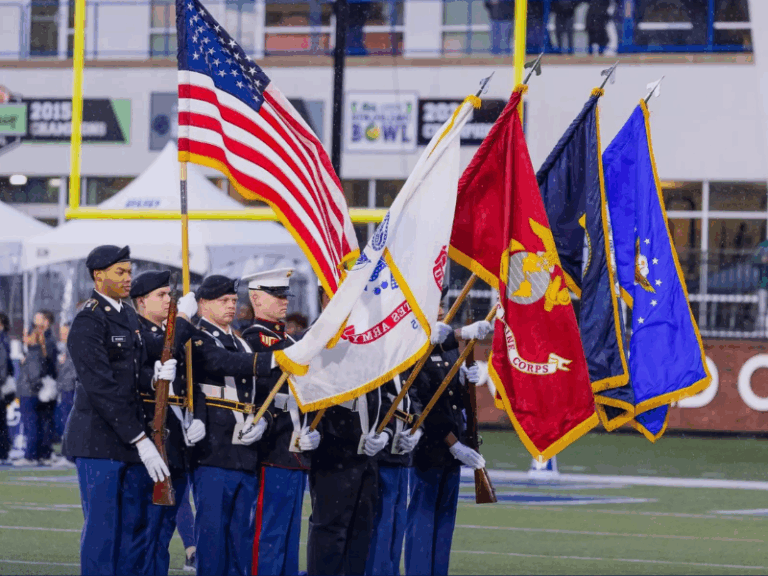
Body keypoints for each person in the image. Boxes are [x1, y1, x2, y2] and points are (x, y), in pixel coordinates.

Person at [62, 245, 184, 575]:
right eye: (120, 272)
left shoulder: (128, 316)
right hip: (99, 441)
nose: (128, 278)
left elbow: (133, 370)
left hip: (127, 441)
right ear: (98, 275)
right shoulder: (89, 320)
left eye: (129, 272)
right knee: (103, 533)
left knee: (132, 529)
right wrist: (142, 440)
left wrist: (154, 376)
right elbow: (101, 389)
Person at [186, 275, 279, 576]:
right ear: (202, 304)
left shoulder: (239, 341)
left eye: (232, 300)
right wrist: (278, 360)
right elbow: (221, 364)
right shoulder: (197, 337)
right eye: (222, 301)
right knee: (212, 540)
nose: (231, 305)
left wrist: (263, 421)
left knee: (241, 540)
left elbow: (262, 393)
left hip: (245, 452)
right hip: (214, 449)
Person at [306, 287, 393, 576]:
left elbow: (384, 397)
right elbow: (307, 397)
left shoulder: (368, 342)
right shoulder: (315, 340)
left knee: (361, 534)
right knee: (330, 533)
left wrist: (385, 433)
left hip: (366, 456)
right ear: (323, 299)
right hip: (333, 454)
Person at [240, 268, 320, 576]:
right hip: (272, 447)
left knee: (288, 536)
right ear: (257, 298)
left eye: (285, 296)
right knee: (268, 535)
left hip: (295, 445)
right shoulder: (254, 338)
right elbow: (259, 392)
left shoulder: (286, 338)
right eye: (276, 296)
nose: (284, 302)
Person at [404, 294, 491, 576]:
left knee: (444, 524)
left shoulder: (451, 349)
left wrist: (468, 382)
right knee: (422, 520)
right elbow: (426, 404)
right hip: (429, 449)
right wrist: (453, 444)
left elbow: (454, 400)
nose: (441, 310)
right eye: (435, 304)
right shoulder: (413, 347)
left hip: (454, 449)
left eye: (442, 304)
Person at [130, 270, 207, 576]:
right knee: (144, 533)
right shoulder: (137, 332)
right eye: (160, 295)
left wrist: (197, 417)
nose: (167, 301)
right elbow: (163, 347)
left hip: (178, 443)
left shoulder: (174, 334)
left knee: (162, 535)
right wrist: (184, 319)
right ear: (141, 302)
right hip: (150, 441)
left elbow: (194, 382)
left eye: (169, 295)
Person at [364, 374, 421, 576]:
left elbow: (412, 398)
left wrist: (417, 429)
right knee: (380, 525)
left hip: (401, 452)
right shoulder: (382, 357)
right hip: (379, 453)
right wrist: (385, 433)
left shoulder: (405, 360)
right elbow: (375, 399)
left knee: (396, 526)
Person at [55, 322, 77, 442]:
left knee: (69, 419)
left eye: (64, 332)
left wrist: (71, 382)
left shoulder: (74, 347)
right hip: (65, 387)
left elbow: (74, 369)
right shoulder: (65, 347)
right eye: (61, 333)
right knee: (65, 419)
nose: (62, 335)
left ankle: (70, 456)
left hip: (70, 388)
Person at [0, 313, 15, 464]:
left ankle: (3, 453)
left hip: (1, 386)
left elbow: (3, 365)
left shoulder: (2, 339)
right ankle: (4, 452)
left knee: (1, 422)